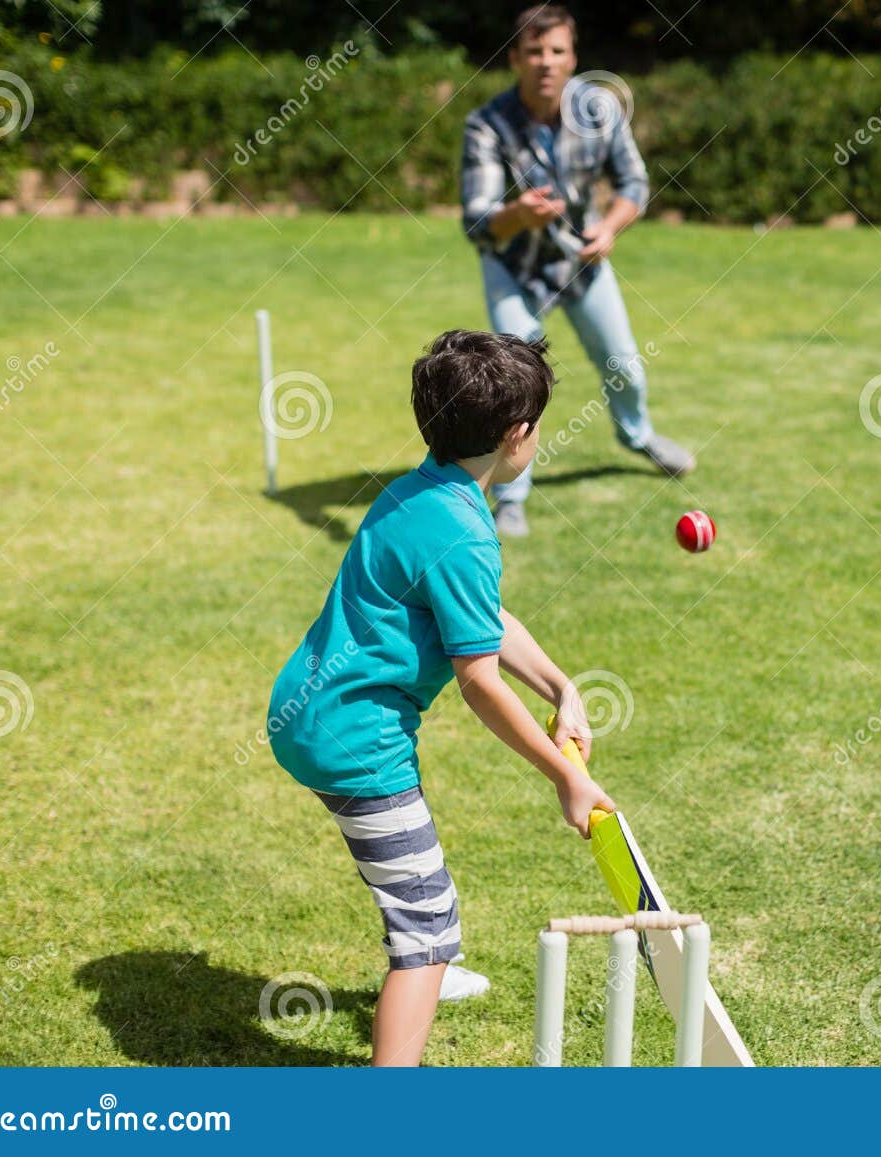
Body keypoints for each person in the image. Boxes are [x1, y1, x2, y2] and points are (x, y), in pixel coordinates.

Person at [266, 330, 615, 1066]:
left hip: (318, 712)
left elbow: (479, 618)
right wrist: (567, 777)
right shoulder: (462, 528)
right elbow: (478, 678)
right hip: (356, 737)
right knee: (425, 923)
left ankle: (429, 967)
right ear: (517, 435)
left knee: (410, 868)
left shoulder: (425, 487)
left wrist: (559, 685)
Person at [459, 4, 694, 538]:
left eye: (557, 51)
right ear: (515, 58)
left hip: (581, 263)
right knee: (516, 382)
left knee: (625, 366)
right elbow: (477, 223)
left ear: (573, 58)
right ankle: (510, 497)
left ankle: (637, 438)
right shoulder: (487, 124)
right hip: (513, 267)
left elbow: (634, 184)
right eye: (535, 51)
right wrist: (518, 214)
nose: (546, 62)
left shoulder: (598, 109)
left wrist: (609, 228)